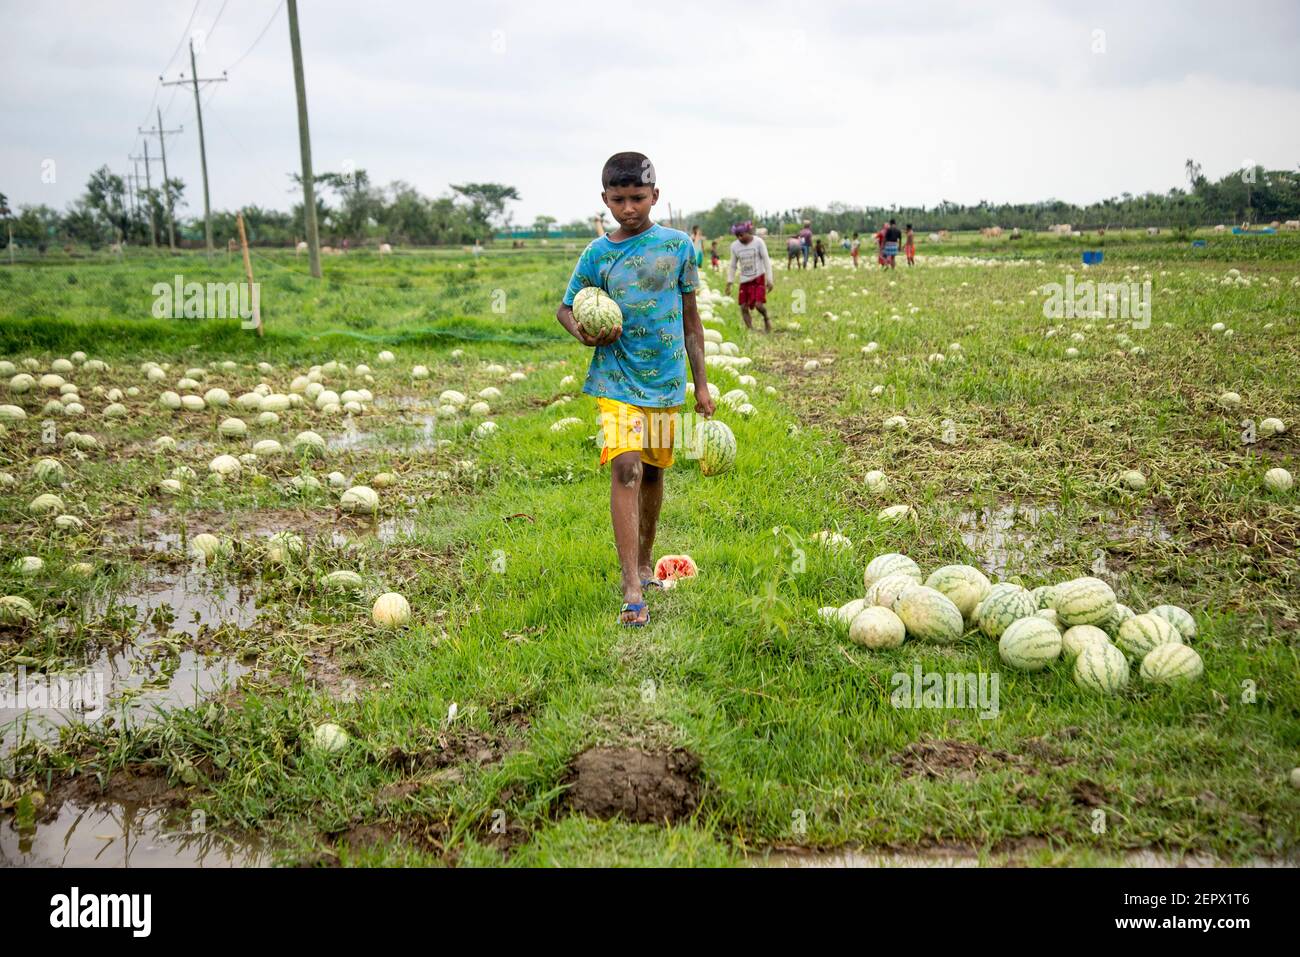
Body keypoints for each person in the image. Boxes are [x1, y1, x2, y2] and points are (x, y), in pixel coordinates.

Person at [555, 151, 715, 627]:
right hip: (616, 379)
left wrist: (701, 385)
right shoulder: (596, 254)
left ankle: (646, 563)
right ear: (604, 199)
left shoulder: (679, 247)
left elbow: (691, 319)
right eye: (618, 200)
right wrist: (580, 331)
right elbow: (565, 308)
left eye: (638, 198)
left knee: (652, 474)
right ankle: (630, 585)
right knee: (625, 468)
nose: (628, 208)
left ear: (655, 197)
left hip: (665, 383)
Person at [725, 220, 774, 332]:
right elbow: (733, 265)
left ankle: (766, 318)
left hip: (758, 278)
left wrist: (770, 280)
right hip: (744, 280)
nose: (739, 238)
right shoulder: (734, 246)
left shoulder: (758, 242)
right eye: (737, 236)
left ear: (748, 232)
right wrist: (729, 282)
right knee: (743, 306)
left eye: (741, 235)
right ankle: (751, 329)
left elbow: (766, 261)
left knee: (758, 305)